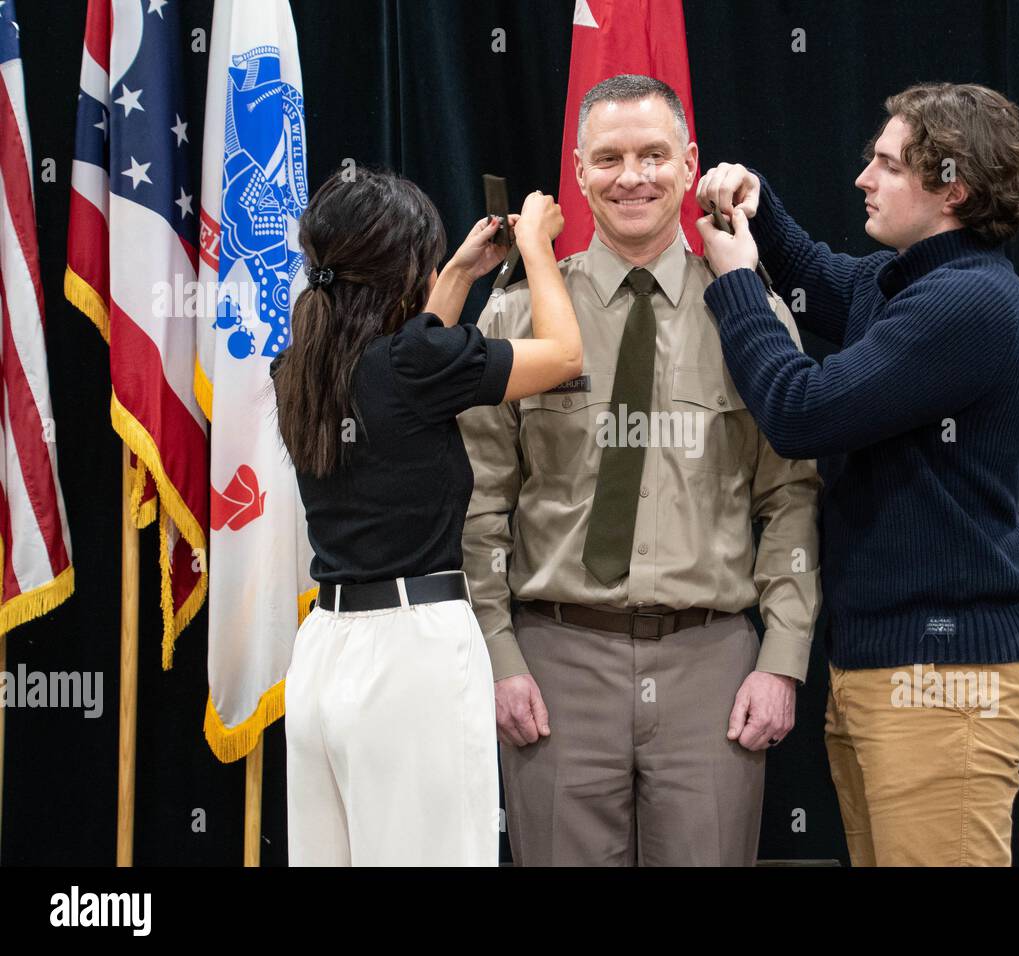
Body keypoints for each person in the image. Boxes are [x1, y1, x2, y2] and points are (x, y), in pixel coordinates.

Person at [458, 74, 821, 866]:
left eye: (654, 154)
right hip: (555, 667)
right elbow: (482, 501)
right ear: (579, 173)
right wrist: (497, 654)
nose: (634, 177)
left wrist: (783, 659)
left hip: (711, 669)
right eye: (610, 158)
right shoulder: (516, 317)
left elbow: (789, 498)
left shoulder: (750, 313)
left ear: (689, 164)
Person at [695, 82, 1019, 866]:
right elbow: (825, 279)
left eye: (888, 166)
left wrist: (734, 286)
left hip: (945, 679)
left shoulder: (969, 303)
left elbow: (800, 411)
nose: (864, 178)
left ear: (951, 187)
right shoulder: (911, 281)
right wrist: (760, 207)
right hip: (889, 666)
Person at [270, 167, 581, 866]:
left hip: (323, 651)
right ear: (405, 269)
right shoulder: (413, 365)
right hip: (413, 658)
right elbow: (565, 354)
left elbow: (405, 357)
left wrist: (462, 274)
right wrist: (535, 247)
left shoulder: (300, 368)